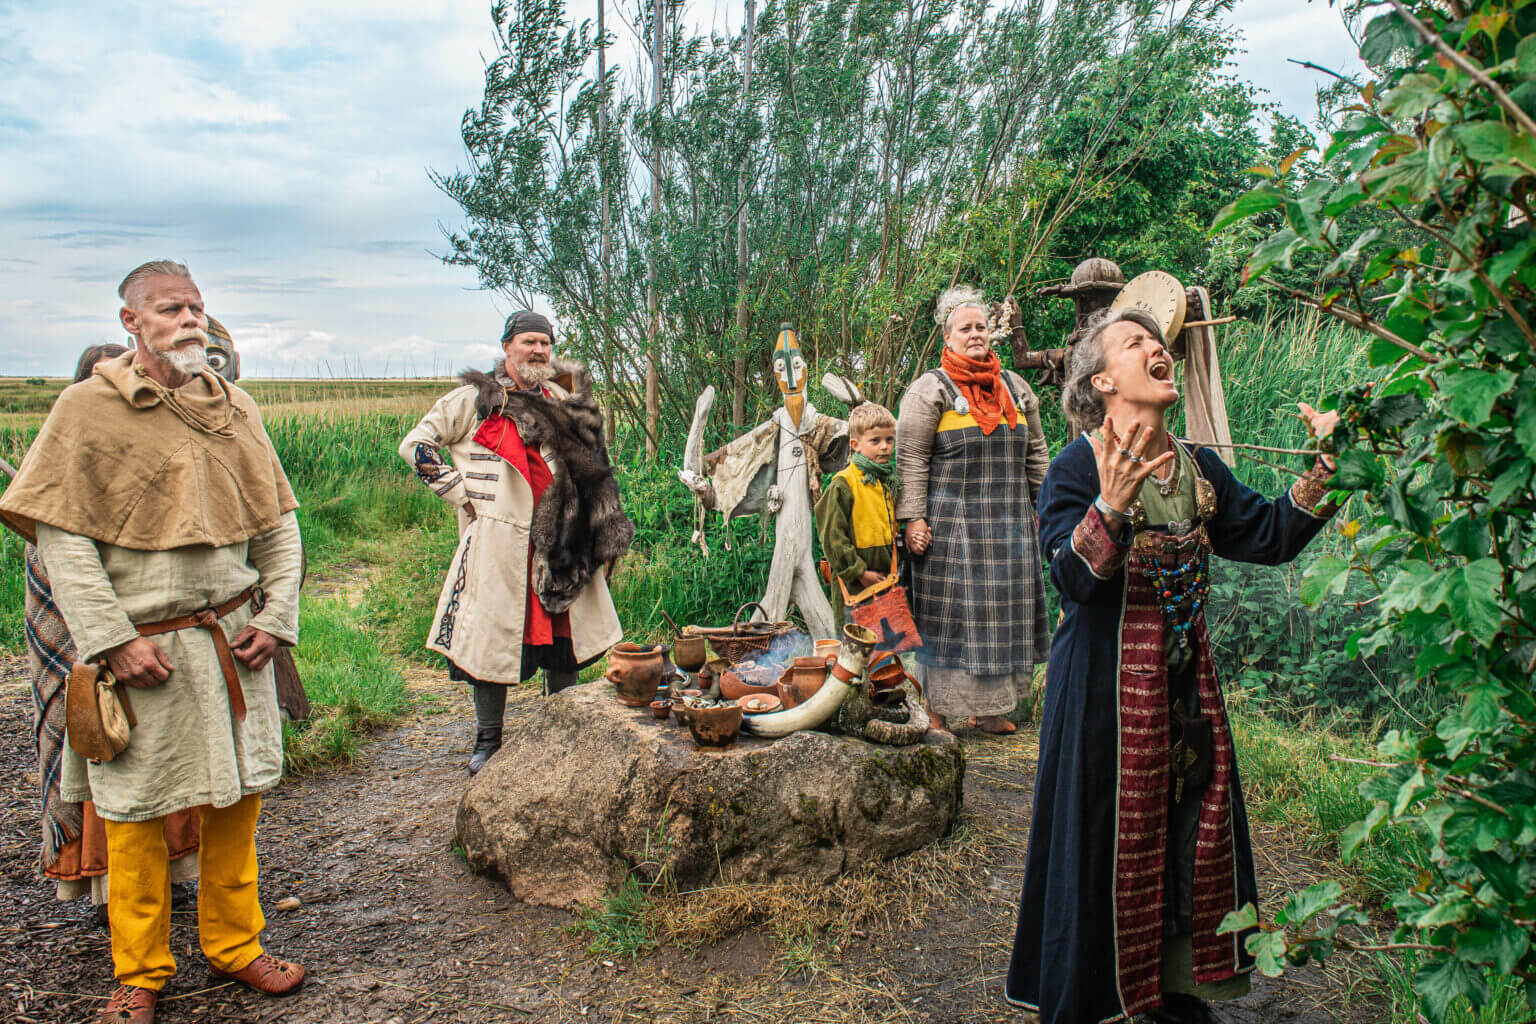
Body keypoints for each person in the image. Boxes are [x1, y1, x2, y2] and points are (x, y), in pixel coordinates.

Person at [1006, 308, 1342, 1024]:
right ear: (1103, 380)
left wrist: (1327, 470)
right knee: (1104, 841)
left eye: (1159, 343)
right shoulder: (1076, 466)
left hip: (1188, 693)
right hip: (1101, 696)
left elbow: (1270, 535)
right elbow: (1071, 582)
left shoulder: (1196, 465)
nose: (1158, 350)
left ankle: (1176, 992)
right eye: (1136, 344)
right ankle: (1098, 998)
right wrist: (1112, 505)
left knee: (1192, 831)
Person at [0, 260, 307, 1024]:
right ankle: (139, 971)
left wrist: (274, 619)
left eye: (197, 308)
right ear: (131, 321)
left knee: (239, 802)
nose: (190, 320)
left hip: (235, 640)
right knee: (135, 815)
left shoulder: (236, 409)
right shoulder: (84, 412)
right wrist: (110, 643)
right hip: (146, 650)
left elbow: (278, 524)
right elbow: (62, 543)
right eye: (171, 309)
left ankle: (236, 945)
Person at [400, 311, 633, 774]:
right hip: (498, 543)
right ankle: (488, 742)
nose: (539, 351)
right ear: (507, 347)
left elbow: (595, 468)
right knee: (491, 639)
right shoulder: (472, 400)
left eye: (545, 344)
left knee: (564, 634)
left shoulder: (562, 399)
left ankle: (561, 732)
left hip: (564, 538)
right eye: (529, 342)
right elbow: (415, 445)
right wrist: (459, 494)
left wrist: (603, 535)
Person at [23, 344, 200, 925]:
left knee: (166, 758)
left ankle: (172, 878)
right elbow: (64, 584)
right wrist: (111, 638)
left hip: (160, 645)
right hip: (100, 659)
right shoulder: (65, 475)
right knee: (108, 760)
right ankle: (116, 893)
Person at [895, 286, 1051, 734]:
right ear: (948, 336)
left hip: (1009, 527)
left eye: (981, 326)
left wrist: (1047, 507)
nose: (976, 334)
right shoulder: (930, 390)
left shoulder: (1015, 389)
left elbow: (1037, 452)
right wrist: (913, 518)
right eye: (966, 328)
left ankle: (990, 710)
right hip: (952, 529)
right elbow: (910, 458)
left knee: (1001, 620)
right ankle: (939, 711)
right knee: (953, 621)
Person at [814, 401, 899, 629]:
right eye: (875, 440)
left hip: (884, 578)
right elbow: (832, 537)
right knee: (855, 647)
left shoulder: (887, 483)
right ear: (855, 445)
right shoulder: (843, 484)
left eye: (889, 440)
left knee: (885, 649)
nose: (884, 447)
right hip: (854, 581)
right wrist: (859, 572)